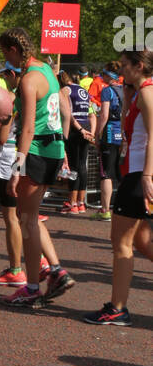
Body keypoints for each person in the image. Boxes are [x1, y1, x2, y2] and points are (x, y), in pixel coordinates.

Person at [0, 28, 75, 309]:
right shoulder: (47, 70)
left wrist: (17, 167)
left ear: (15, 50)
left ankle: (31, 287)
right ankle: (55, 270)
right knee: (28, 215)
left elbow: (28, 127)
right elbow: (62, 110)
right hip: (52, 150)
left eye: (6, 53)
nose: (6, 59)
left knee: (26, 220)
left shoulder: (29, 79)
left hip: (38, 151)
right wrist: (64, 150)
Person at [84, 49, 153, 326]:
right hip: (136, 173)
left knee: (121, 244)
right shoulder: (139, 92)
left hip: (139, 175)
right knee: (140, 241)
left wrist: (147, 175)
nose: (121, 70)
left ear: (139, 65)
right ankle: (117, 307)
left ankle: (117, 308)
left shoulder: (148, 93)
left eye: (125, 65)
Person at [60, 69, 94, 213]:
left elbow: (68, 115)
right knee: (82, 165)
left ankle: (72, 203)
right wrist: (91, 131)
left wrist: (79, 129)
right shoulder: (83, 90)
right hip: (85, 124)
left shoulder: (65, 90)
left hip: (75, 127)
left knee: (74, 165)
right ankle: (81, 203)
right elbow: (92, 113)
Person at [92, 66, 123, 221]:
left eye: (103, 74)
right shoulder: (126, 89)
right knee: (120, 172)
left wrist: (98, 133)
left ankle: (105, 210)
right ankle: (123, 207)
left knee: (106, 174)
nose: (101, 77)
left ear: (109, 76)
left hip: (110, 133)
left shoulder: (107, 90)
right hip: (122, 134)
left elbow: (104, 114)